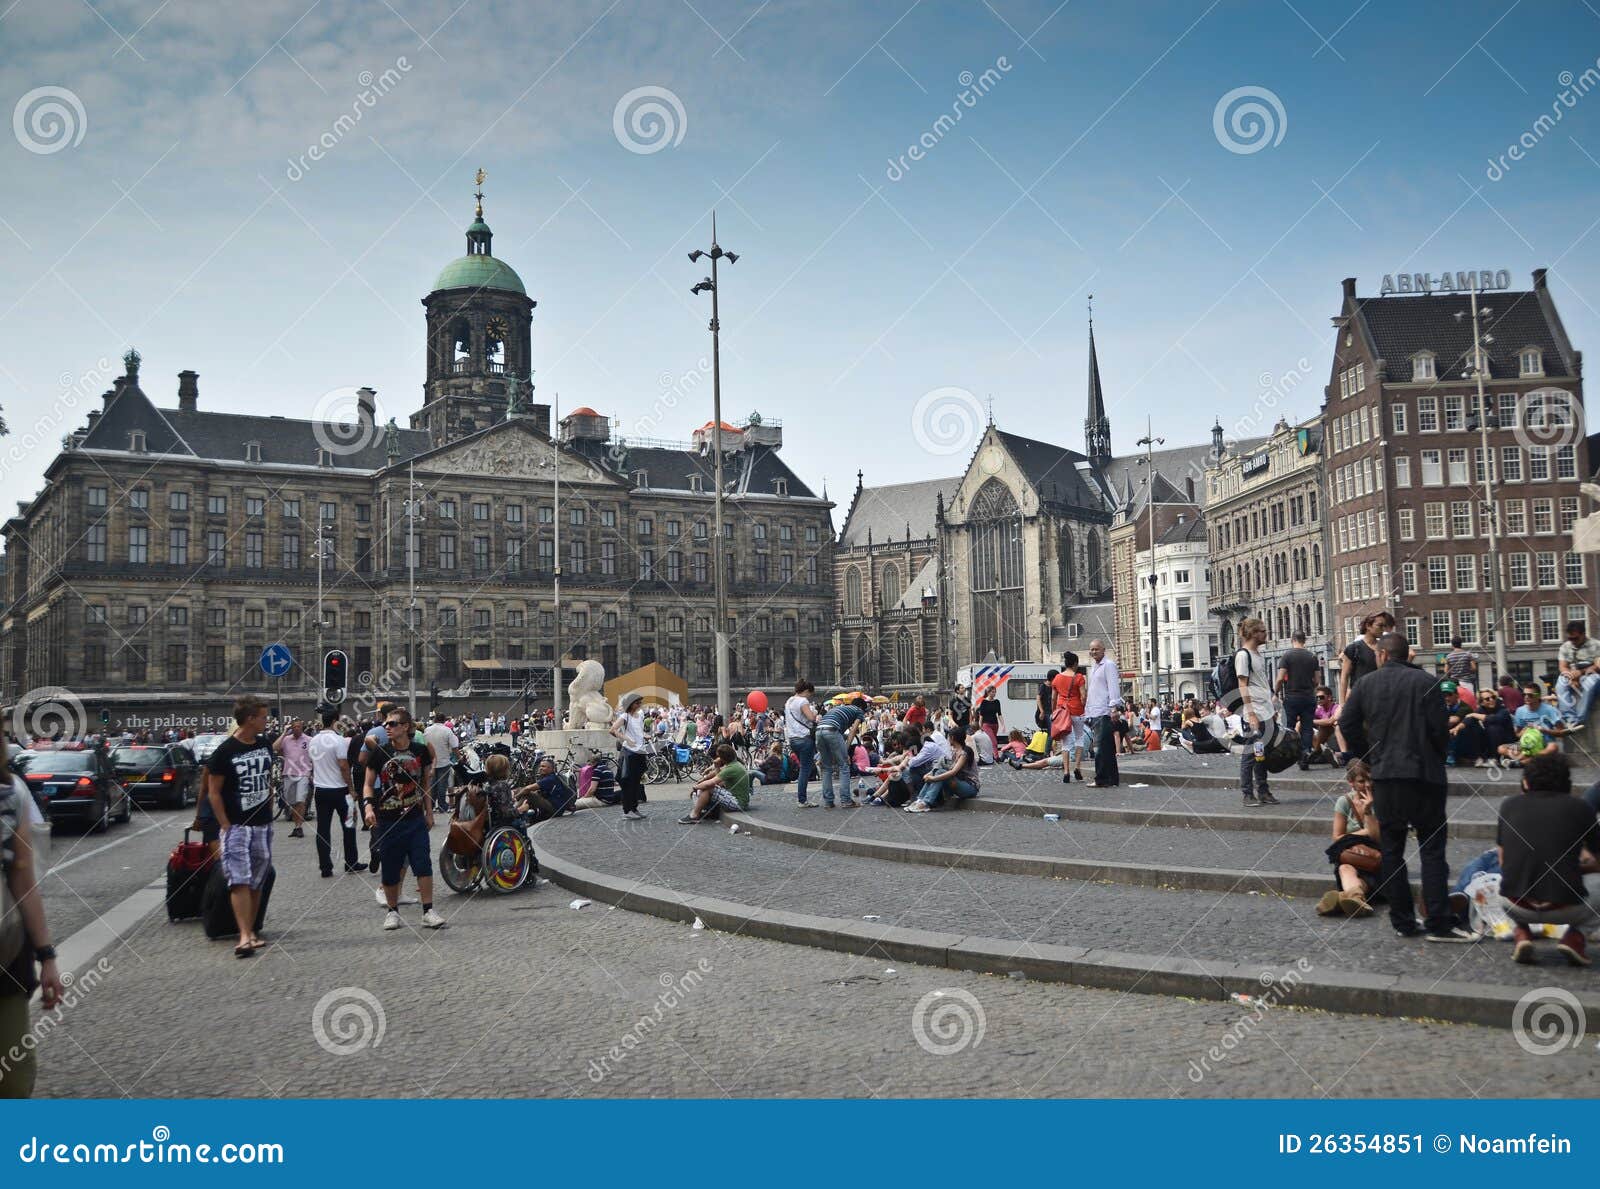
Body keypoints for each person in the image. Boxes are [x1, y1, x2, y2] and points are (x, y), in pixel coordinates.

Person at [1338, 632, 1476, 943]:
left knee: (1391, 849)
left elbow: (1346, 723)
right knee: (1432, 850)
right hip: (1426, 775)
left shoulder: (1366, 684)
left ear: (1382, 655)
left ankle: (1402, 921)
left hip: (1387, 777)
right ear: (1404, 654)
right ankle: (1439, 922)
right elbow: (1439, 729)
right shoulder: (1426, 682)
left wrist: (1370, 757)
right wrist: (1436, 756)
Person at [1, 721, 64, 1099]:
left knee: (13, 1077)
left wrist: (47, 956)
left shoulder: (10, 794)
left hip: (5, 953)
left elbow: (24, 880)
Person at [1496, 753, 1600, 965]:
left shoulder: (1508, 805)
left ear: (1526, 782)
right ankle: (1575, 937)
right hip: (1567, 907)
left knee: (1503, 881)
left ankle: (1521, 932)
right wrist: (1575, 868)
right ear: (1567, 782)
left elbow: (1503, 862)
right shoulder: (1581, 808)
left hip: (1516, 904)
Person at [206, 695, 277, 958]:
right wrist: (225, 824)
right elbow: (214, 791)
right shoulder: (225, 751)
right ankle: (244, 936)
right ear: (250, 719)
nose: (267, 721)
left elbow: (268, 778)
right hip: (237, 826)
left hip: (262, 825)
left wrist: (269, 806)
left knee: (257, 880)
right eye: (263, 717)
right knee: (239, 880)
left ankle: (253, 930)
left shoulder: (264, 744)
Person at [363, 707, 445, 932]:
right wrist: (368, 806)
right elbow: (368, 784)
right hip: (387, 819)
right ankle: (392, 912)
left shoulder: (420, 751)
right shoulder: (380, 752)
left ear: (405, 726)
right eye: (386, 724)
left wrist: (429, 813)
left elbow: (426, 785)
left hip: (415, 818)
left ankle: (428, 911)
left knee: (423, 863)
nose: (387, 727)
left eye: (392, 724)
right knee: (390, 867)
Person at [1317, 760, 1381, 918]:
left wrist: (1368, 811)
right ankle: (1355, 898)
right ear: (1351, 782)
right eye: (1361, 781)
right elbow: (1337, 837)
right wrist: (1364, 832)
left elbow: (1377, 838)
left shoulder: (1381, 801)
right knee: (1344, 868)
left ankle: (1342, 899)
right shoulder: (1344, 802)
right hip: (1352, 855)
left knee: (1361, 874)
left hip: (1376, 858)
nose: (1367, 785)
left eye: (1370, 779)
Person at [1234, 617, 1280, 807]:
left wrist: (1272, 706)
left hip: (1265, 711)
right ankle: (1247, 793)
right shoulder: (1243, 655)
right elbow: (1242, 685)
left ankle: (1263, 790)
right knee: (1250, 754)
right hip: (1254, 713)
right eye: (1262, 631)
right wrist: (1251, 713)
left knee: (1262, 754)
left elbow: (1261, 683)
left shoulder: (1258, 654)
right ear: (1253, 633)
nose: (1266, 633)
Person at [309, 711, 360, 877]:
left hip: (321, 790)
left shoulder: (313, 741)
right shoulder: (338, 740)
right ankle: (351, 862)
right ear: (334, 721)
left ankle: (325, 867)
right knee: (349, 825)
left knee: (323, 829)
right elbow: (344, 766)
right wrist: (351, 788)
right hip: (340, 789)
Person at [815, 692, 868, 808]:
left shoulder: (840, 709)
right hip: (832, 730)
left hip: (819, 731)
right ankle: (846, 800)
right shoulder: (858, 711)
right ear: (861, 707)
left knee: (826, 768)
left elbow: (830, 733)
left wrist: (821, 756)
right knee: (844, 766)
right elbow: (853, 731)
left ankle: (828, 802)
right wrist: (846, 750)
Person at [909, 725, 980, 812]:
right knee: (938, 771)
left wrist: (933, 778)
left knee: (939, 773)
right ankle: (920, 799)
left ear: (952, 738)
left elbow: (953, 772)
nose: (948, 740)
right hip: (959, 782)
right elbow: (947, 767)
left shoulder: (964, 752)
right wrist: (930, 774)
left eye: (948, 737)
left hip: (970, 787)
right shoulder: (954, 751)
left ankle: (926, 802)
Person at [1276, 631, 1320, 770]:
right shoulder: (1312, 656)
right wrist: (1310, 688)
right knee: (1307, 727)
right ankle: (1305, 753)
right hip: (1308, 697)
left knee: (1289, 727)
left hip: (1292, 697)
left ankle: (1291, 754)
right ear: (1304, 640)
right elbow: (1317, 680)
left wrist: (1275, 693)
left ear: (1292, 640)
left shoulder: (1287, 656)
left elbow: (1280, 678)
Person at [1083, 640, 1122, 788]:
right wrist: (1087, 712)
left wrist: (1113, 707)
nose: (1093, 652)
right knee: (1107, 747)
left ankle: (1101, 778)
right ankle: (1112, 778)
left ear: (1103, 650)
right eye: (1091, 649)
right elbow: (1093, 691)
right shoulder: (1093, 667)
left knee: (1100, 747)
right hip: (1095, 711)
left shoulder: (1109, 665)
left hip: (1104, 711)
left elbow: (1113, 687)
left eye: (1096, 649)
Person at [680, 744, 750, 823]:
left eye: (718, 756)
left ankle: (694, 815)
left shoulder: (731, 768)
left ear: (722, 758)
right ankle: (710, 811)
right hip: (741, 801)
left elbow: (711, 783)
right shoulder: (734, 764)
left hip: (738, 803)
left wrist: (695, 787)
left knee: (709, 788)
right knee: (707, 787)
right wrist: (704, 779)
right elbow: (718, 777)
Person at [1338, 611, 1392, 704]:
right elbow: (1344, 677)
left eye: (1384, 626)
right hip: (1359, 699)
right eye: (1380, 625)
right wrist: (1342, 703)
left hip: (1379, 698)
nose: (1383, 629)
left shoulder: (1384, 648)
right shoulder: (1353, 648)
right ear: (1368, 626)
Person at [610, 693, 649, 821]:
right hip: (629, 753)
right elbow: (613, 730)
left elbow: (638, 731)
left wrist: (645, 735)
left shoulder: (640, 715)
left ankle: (634, 808)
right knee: (628, 782)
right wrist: (626, 738)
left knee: (636, 782)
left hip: (639, 752)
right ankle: (627, 810)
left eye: (640, 702)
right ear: (631, 704)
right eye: (637, 703)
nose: (639, 705)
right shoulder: (625, 716)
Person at [1556, 620, 1600, 727]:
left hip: (1589, 675)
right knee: (1560, 683)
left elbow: (1598, 665)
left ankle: (1580, 718)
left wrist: (1581, 672)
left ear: (1583, 634)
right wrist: (1571, 678)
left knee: (1592, 680)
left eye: (1575, 638)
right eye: (1570, 638)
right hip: (1572, 674)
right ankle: (1570, 719)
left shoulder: (1596, 645)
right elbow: (1562, 666)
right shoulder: (1565, 647)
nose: (1572, 641)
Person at [274, 717, 312, 839]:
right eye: (294, 727)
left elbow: (314, 756)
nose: (296, 729)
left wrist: (313, 773)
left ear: (302, 727)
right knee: (292, 802)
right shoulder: (286, 739)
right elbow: (274, 748)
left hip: (303, 774)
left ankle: (299, 826)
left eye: (299, 726)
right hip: (289, 774)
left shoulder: (308, 740)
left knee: (301, 800)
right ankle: (296, 827)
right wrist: (284, 733)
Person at [1052, 654, 1088, 781]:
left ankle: (1066, 772)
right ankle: (1077, 767)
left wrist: (1054, 711)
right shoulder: (1079, 677)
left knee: (1065, 743)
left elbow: (1053, 698)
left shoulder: (1057, 678)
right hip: (1077, 711)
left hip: (1063, 712)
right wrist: (1084, 706)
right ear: (1075, 664)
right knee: (1079, 738)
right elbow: (1083, 696)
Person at [785, 680, 819, 808]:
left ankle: (802, 799)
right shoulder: (803, 701)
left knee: (803, 768)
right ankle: (802, 800)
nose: (809, 696)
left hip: (793, 739)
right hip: (804, 738)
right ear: (806, 691)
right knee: (805, 769)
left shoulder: (789, 701)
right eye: (810, 693)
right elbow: (811, 718)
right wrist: (815, 712)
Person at [423, 713, 461, 814]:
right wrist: (460, 758)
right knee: (442, 785)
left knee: (432, 785)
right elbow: (454, 746)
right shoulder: (447, 730)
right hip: (444, 762)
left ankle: (430, 805)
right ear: (444, 720)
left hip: (430, 762)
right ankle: (442, 806)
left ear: (434, 720)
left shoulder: (427, 730)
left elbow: (424, 745)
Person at [1310, 687, 1341, 762]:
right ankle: (1303, 751)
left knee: (1324, 727)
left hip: (1337, 739)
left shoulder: (1337, 707)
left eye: (1321, 697)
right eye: (1316, 698)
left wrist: (1311, 721)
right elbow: (1304, 717)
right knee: (1301, 725)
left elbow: (1330, 722)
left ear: (1329, 697)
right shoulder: (1319, 710)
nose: (1318, 699)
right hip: (1324, 741)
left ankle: (1316, 752)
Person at [974, 686, 1004, 753]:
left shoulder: (997, 701)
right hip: (986, 724)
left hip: (995, 724)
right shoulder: (984, 702)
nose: (994, 693)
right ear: (988, 692)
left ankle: (991, 755)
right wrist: (980, 726)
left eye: (995, 692)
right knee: (994, 742)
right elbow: (981, 715)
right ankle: (996, 756)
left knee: (991, 741)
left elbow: (999, 714)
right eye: (992, 692)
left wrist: (1003, 725)